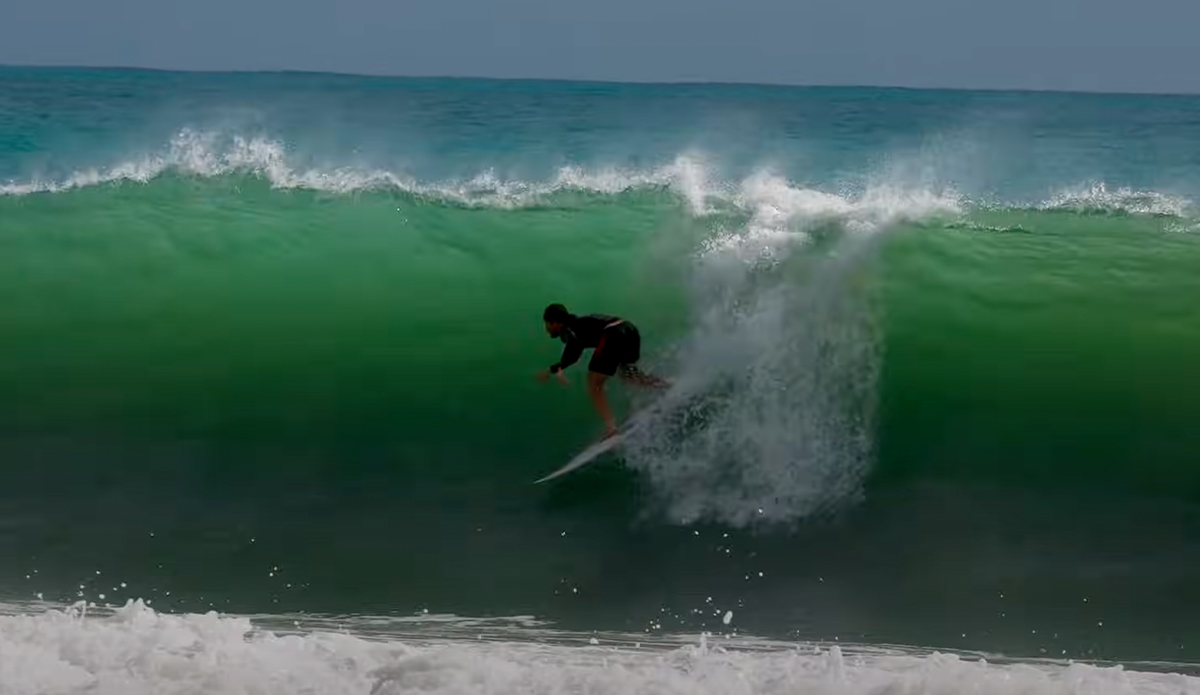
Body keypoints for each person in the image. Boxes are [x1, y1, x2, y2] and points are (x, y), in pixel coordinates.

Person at [538, 303, 669, 439]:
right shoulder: (578, 323)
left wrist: (552, 370)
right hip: (629, 330)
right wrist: (559, 367)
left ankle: (611, 429)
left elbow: (573, 351)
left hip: (613, 333)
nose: (547, 329)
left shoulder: (568, 329)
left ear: (555, 323)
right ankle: (666, 385)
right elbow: (574, 352)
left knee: (593, 383)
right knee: (629, 376)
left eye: (547, 324)